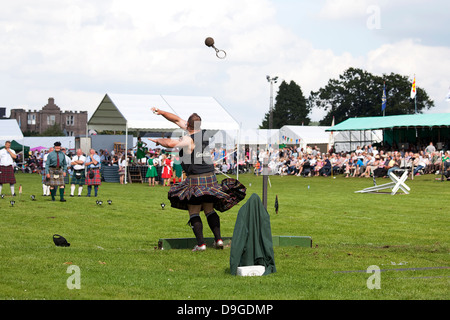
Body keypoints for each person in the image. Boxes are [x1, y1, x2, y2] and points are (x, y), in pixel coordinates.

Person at [150, 107, 246, 252]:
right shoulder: (203, 133)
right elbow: (176, 119)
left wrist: (158, 140)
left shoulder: (188, 139)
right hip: (210, 177)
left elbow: (170, 144)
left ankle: (201, 245)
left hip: (196, 179)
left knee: (193, 210)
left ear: (188, 126)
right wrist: (162, 113)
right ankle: (218, 240)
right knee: (209, 209)